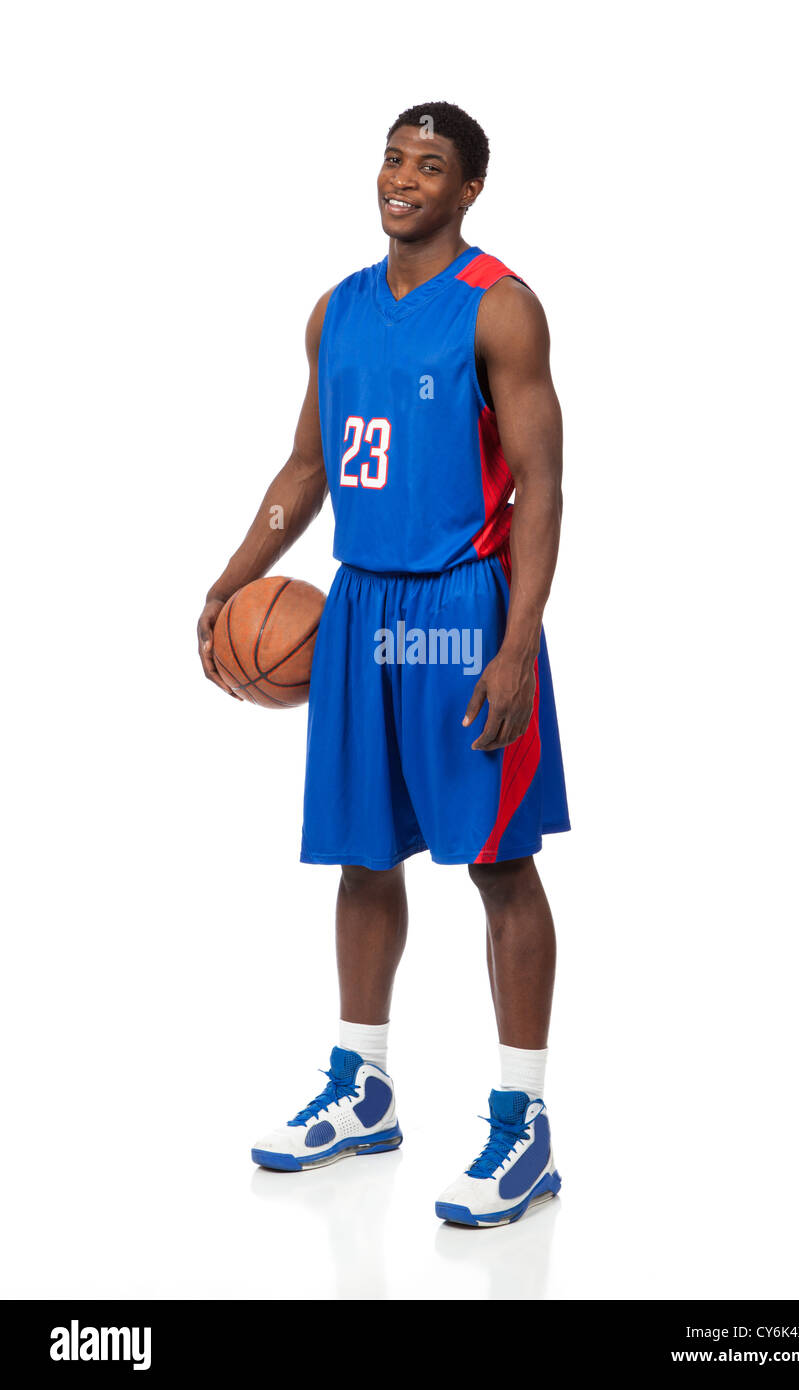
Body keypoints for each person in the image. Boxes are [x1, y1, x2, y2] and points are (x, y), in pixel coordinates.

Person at [197, 102, 570, 1226]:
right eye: (394, 157)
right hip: (359, 606)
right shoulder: (337, 310)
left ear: (469, 192)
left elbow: (546, 483)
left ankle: (523, 1128)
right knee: (365, 855)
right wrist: (232, 574)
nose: (403, 177)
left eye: (432, 165)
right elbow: (306, 464)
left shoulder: (498, 307)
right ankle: (362, 1086)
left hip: (461, 612)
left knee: (497, 863)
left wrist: (515, 644)